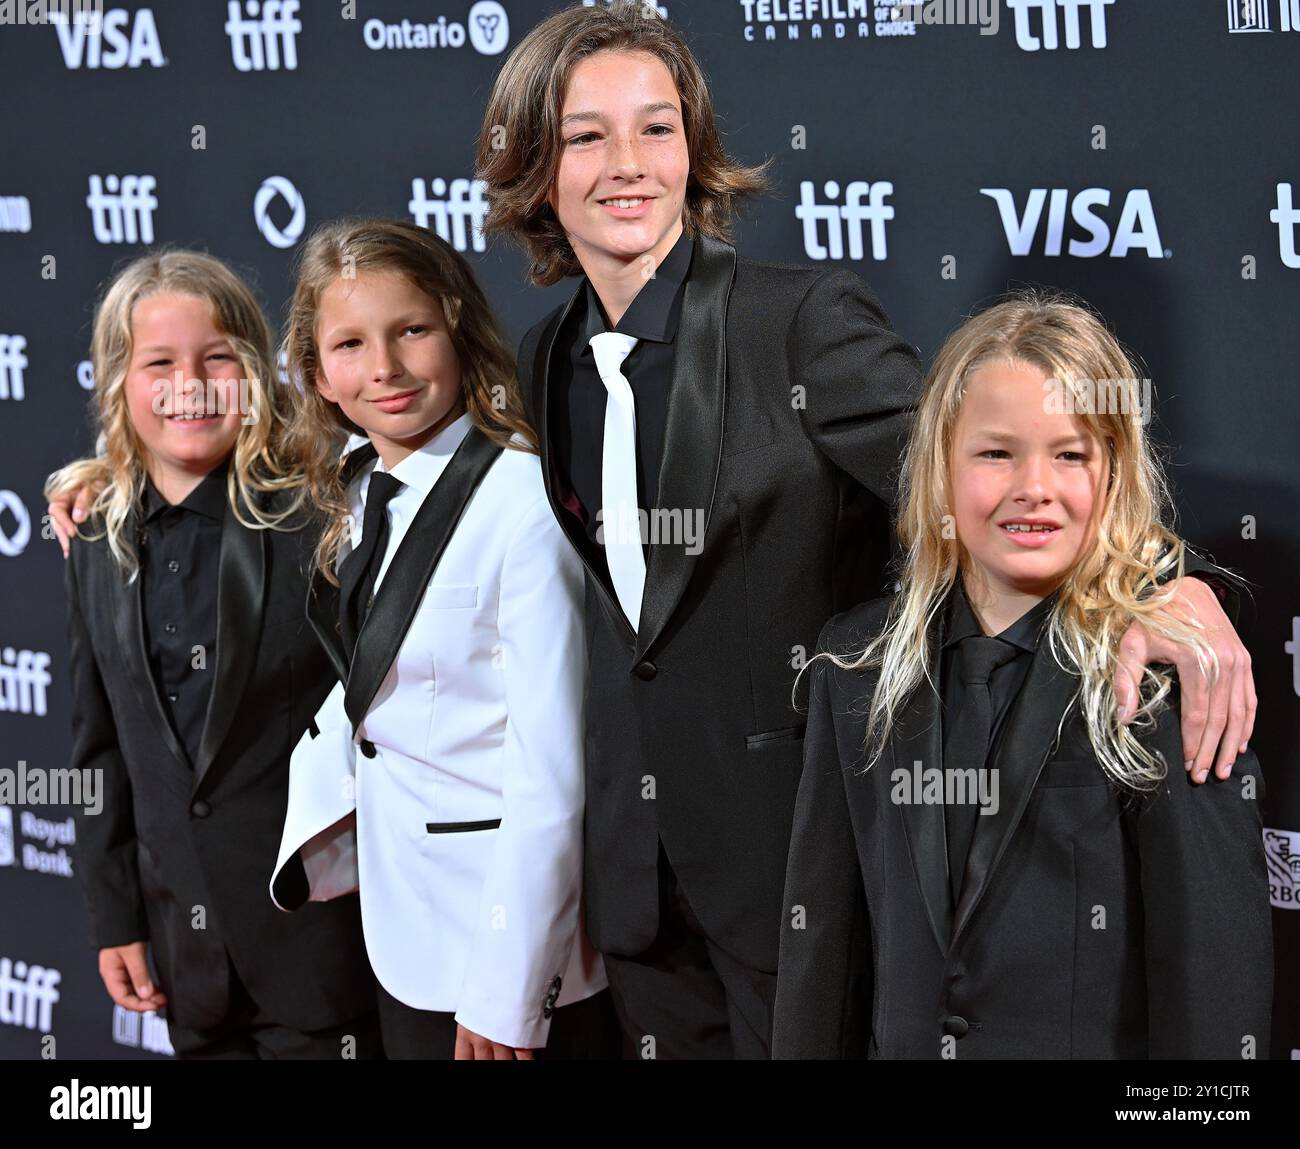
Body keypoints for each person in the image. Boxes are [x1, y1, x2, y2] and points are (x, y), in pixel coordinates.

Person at [472, 0, 1258, 1058]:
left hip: (798, 874)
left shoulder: (797, 322)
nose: (629, 163)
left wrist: (1159, 583)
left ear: (694, 149)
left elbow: (974, 481)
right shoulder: (544, 354)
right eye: (585, 135)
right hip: (637, 890)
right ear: (532, 162)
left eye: (657, 128)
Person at [772, 294, 1272, 1059]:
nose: (1033, 485)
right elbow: (825, 964)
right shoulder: (855, 668)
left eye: (1070, 454)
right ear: (940, 468)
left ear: (1114, 475)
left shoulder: (1165, 688)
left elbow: (1213, 984)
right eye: (996, 453)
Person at [268, 218, 615, 1060]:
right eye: (349, 344)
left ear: (457, 328)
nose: (383, 368)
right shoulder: (361, 487)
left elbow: (552, 769)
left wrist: (509, 992)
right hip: (400, 935)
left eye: (410, 330)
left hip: (504, 964)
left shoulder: (522, 499)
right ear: (316, 372)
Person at [46, 250, 379, 1059]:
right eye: (158, 362)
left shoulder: (325, 516)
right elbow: (101, 751)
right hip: (186, 970)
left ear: (256, 374)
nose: (189, 385)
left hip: (329, 963)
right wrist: (116, 916)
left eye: (217, 358)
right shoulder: (94, 539)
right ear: (118, 383)